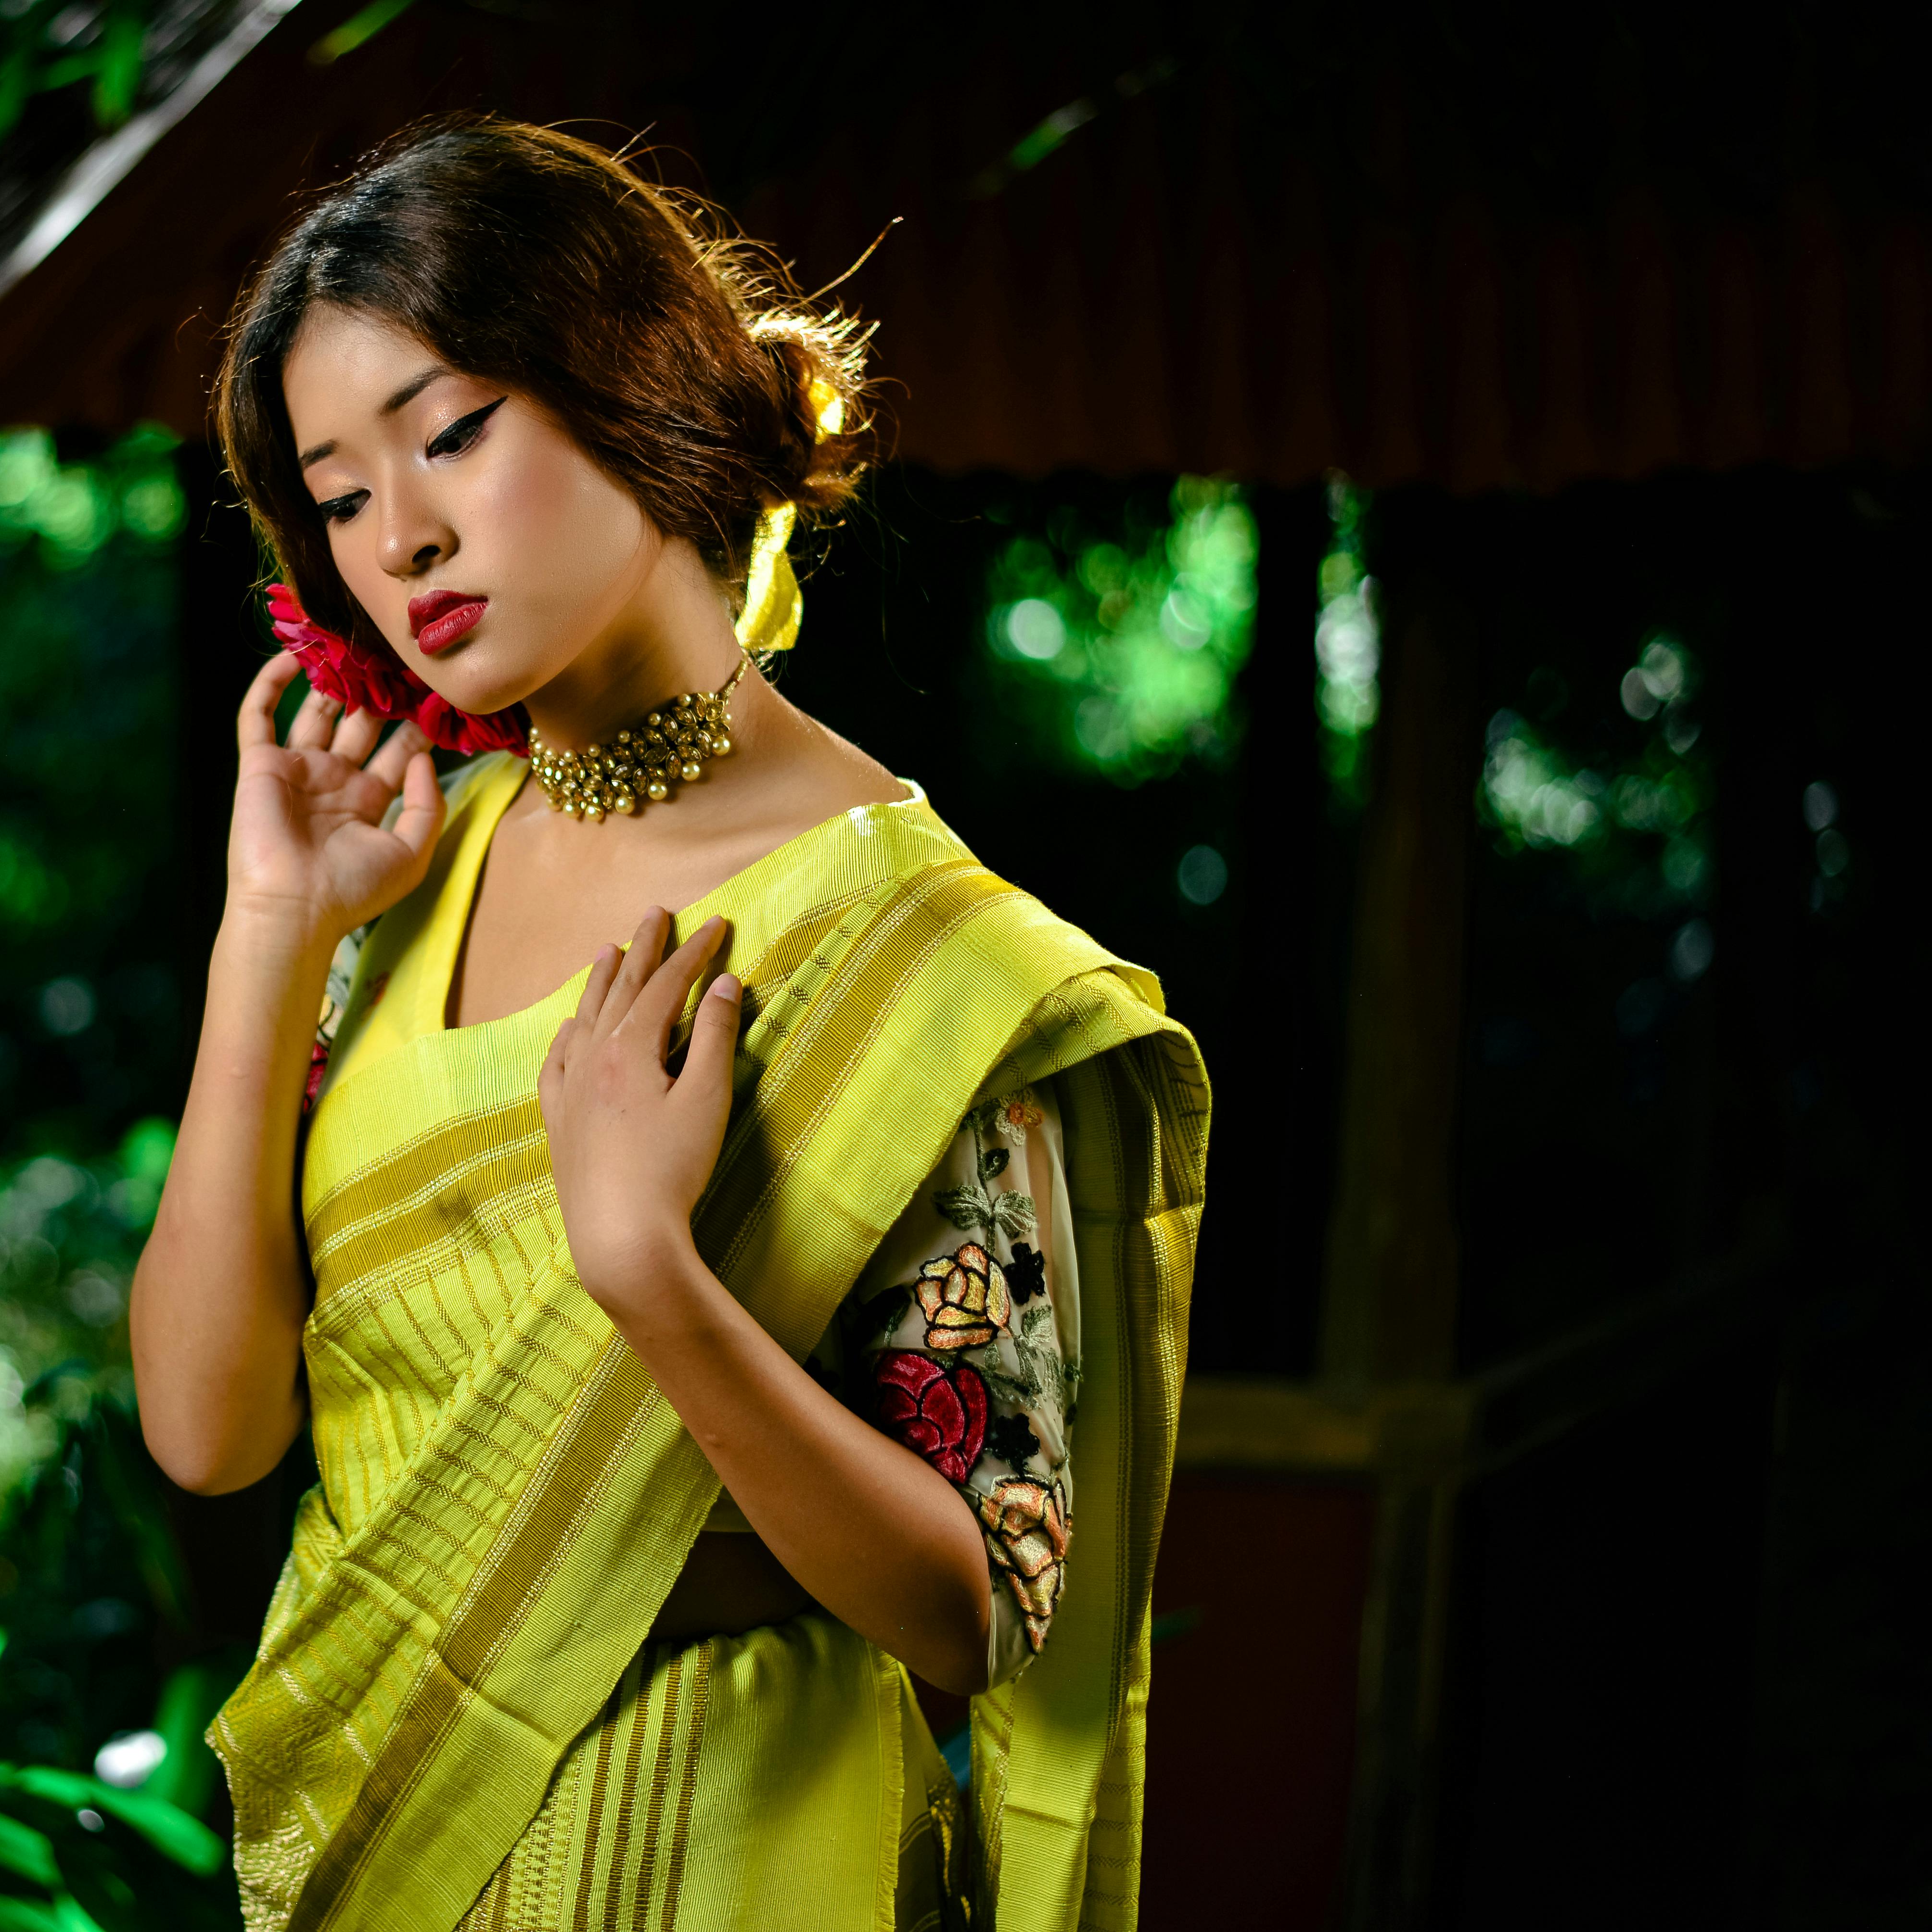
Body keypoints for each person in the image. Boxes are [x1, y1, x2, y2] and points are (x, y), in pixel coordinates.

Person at [129, 116, 1207, 1932]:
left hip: (735, 1851)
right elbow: (209, 1429)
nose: (401, 536)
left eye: (452, 431)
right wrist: (267, 931)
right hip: (389, 1852)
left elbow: (984, 1596)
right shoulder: (409, 880)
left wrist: (651, 1269)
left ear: (632, 388)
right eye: (336, 492)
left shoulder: (918, 953)